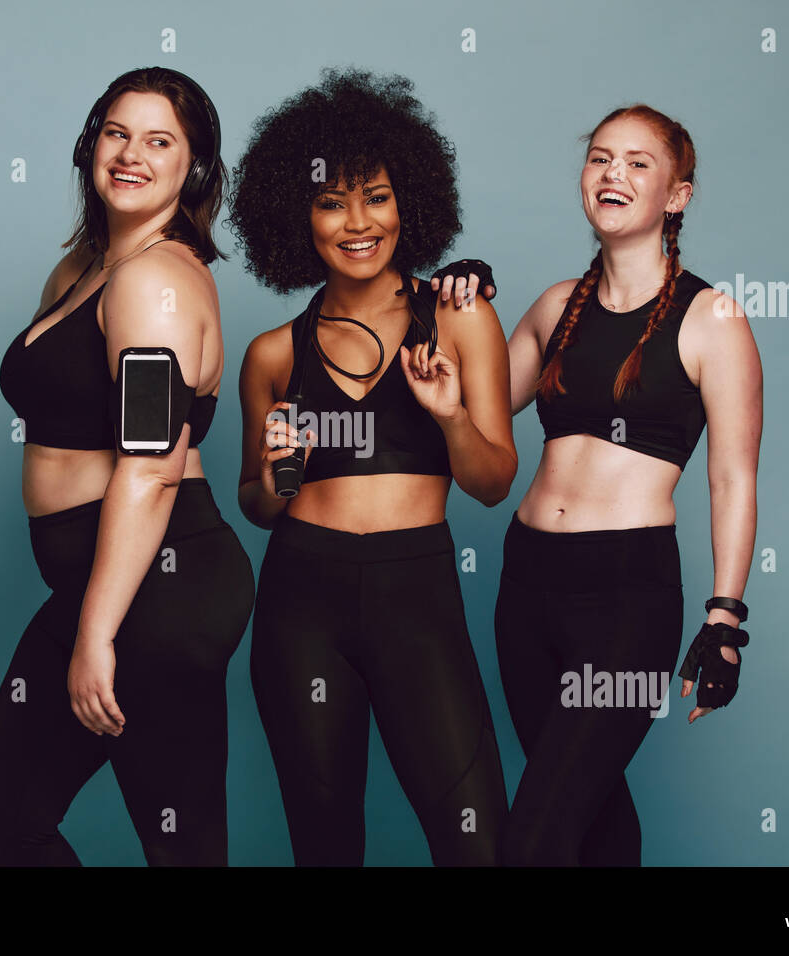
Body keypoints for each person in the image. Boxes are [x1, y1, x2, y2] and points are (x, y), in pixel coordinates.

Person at [0, 67, 255, 866]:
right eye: (116, 133)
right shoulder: (86, 269)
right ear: (92, 143)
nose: (131, 154)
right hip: (107, 582)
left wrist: (96, 631)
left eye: (159, 141)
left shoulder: (156, 283)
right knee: (1, 813)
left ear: (191, 167)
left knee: (180, 845)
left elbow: (151, 468)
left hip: (160, 586)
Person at [229, 67, 514, 865]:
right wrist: (280, 475)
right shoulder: (271, 355)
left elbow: (492, 484)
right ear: (298, 217)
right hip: (300, 603)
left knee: (477, 842)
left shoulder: (461, 317)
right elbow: (256, 503)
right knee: (325, 848)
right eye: (330, 202)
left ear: (409, 203)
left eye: (377, 196)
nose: (358, 222)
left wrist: (451, 416)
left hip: (414, 592)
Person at [495, 103, 762, 865]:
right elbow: (472, 409)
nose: (613, 173)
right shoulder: (554, 307)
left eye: (638, 163)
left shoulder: (713, 318)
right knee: (593, 814)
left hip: (625, 598)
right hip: (525, 587)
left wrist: (725, 621)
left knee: (537, 833)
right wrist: (455, 306)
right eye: (600, 158)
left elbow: (733, 478)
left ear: (676, 195)